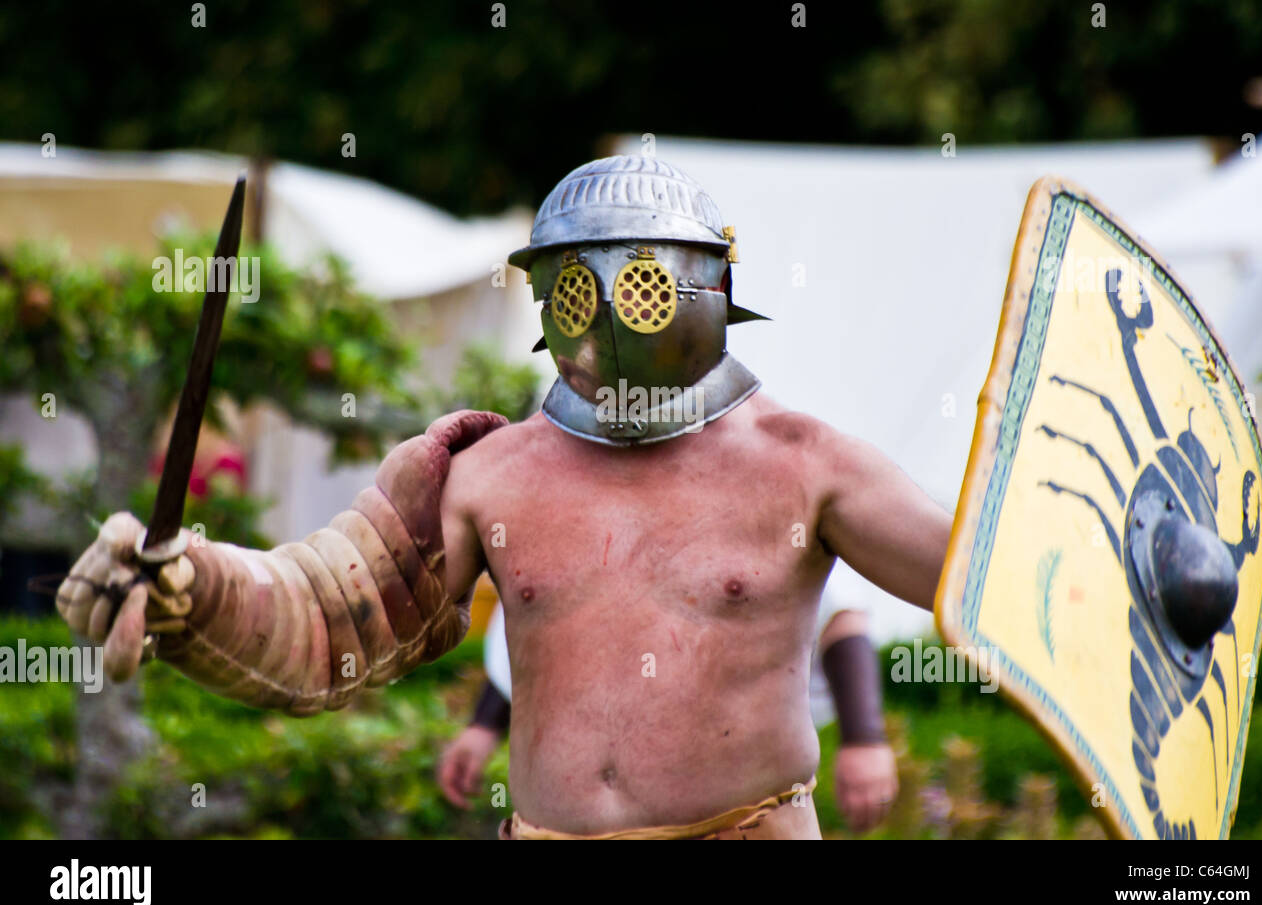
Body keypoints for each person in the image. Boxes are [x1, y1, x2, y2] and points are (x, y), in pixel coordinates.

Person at [58, 156, 951, 839]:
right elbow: (332, 620)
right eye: (573, 285)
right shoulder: (489, 469)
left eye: (641, 283)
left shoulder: (808, 464)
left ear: (712, 287)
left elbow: (990, 573)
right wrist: (192, 586)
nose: (603, 313)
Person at [440, 596, 900, 833]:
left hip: (735, 817)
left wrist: (864, 738)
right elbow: (534, 618)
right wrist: (484, 724)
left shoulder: (760, 461)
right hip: (568, 824)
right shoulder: (541, 469)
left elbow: (840, 614)